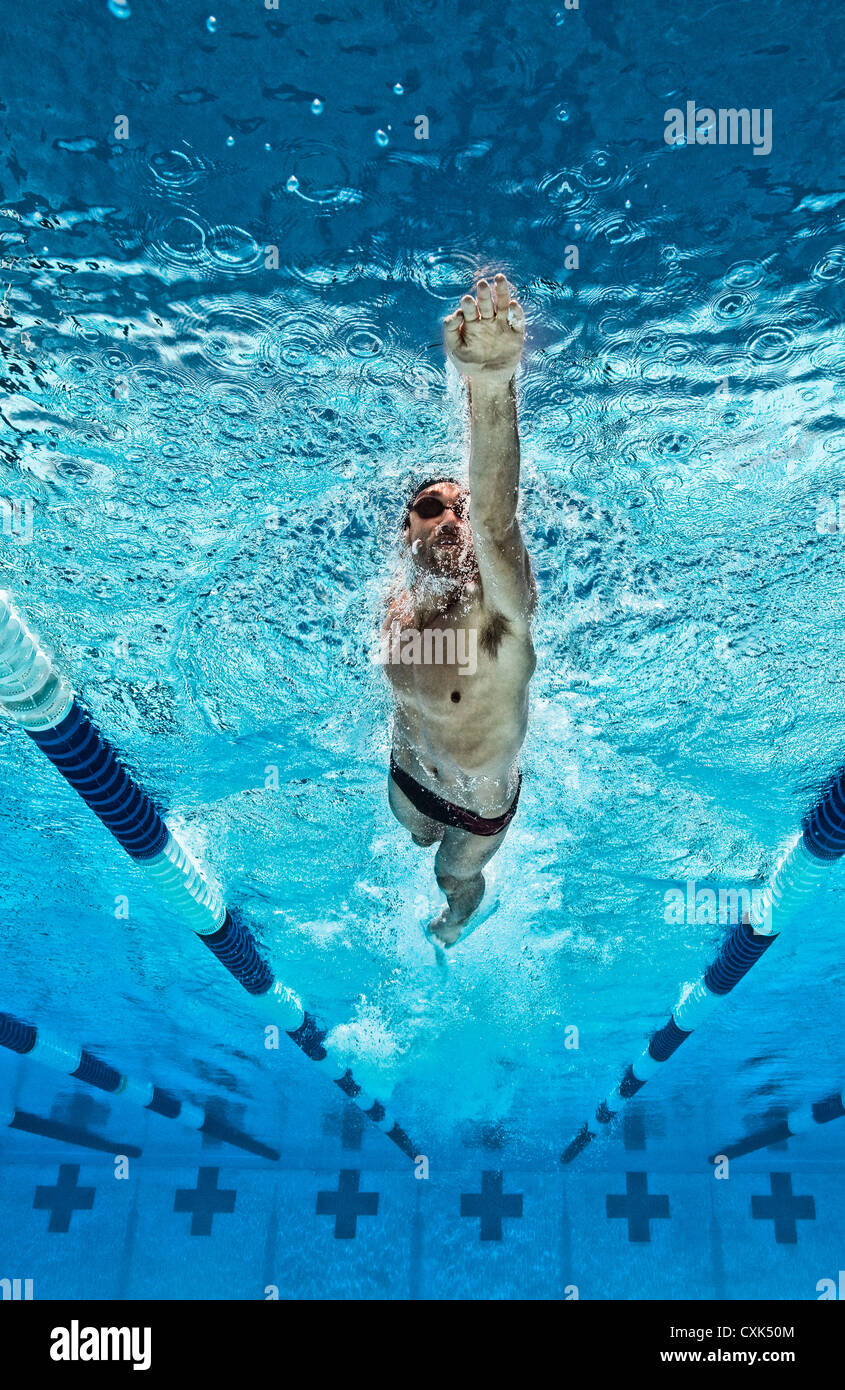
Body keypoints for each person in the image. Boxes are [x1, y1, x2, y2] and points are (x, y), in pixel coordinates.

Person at [380, 273, 536, 947]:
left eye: (459, 508)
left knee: (449, 877)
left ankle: (459, 918)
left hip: (477, 810)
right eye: (430, 508)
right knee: (415, 838)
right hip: (408, 780)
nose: (450, 518)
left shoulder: (499, 616)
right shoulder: (398, 602)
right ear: (405, 530)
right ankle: (425, 841)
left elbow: (499, 520)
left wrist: (491, 387)